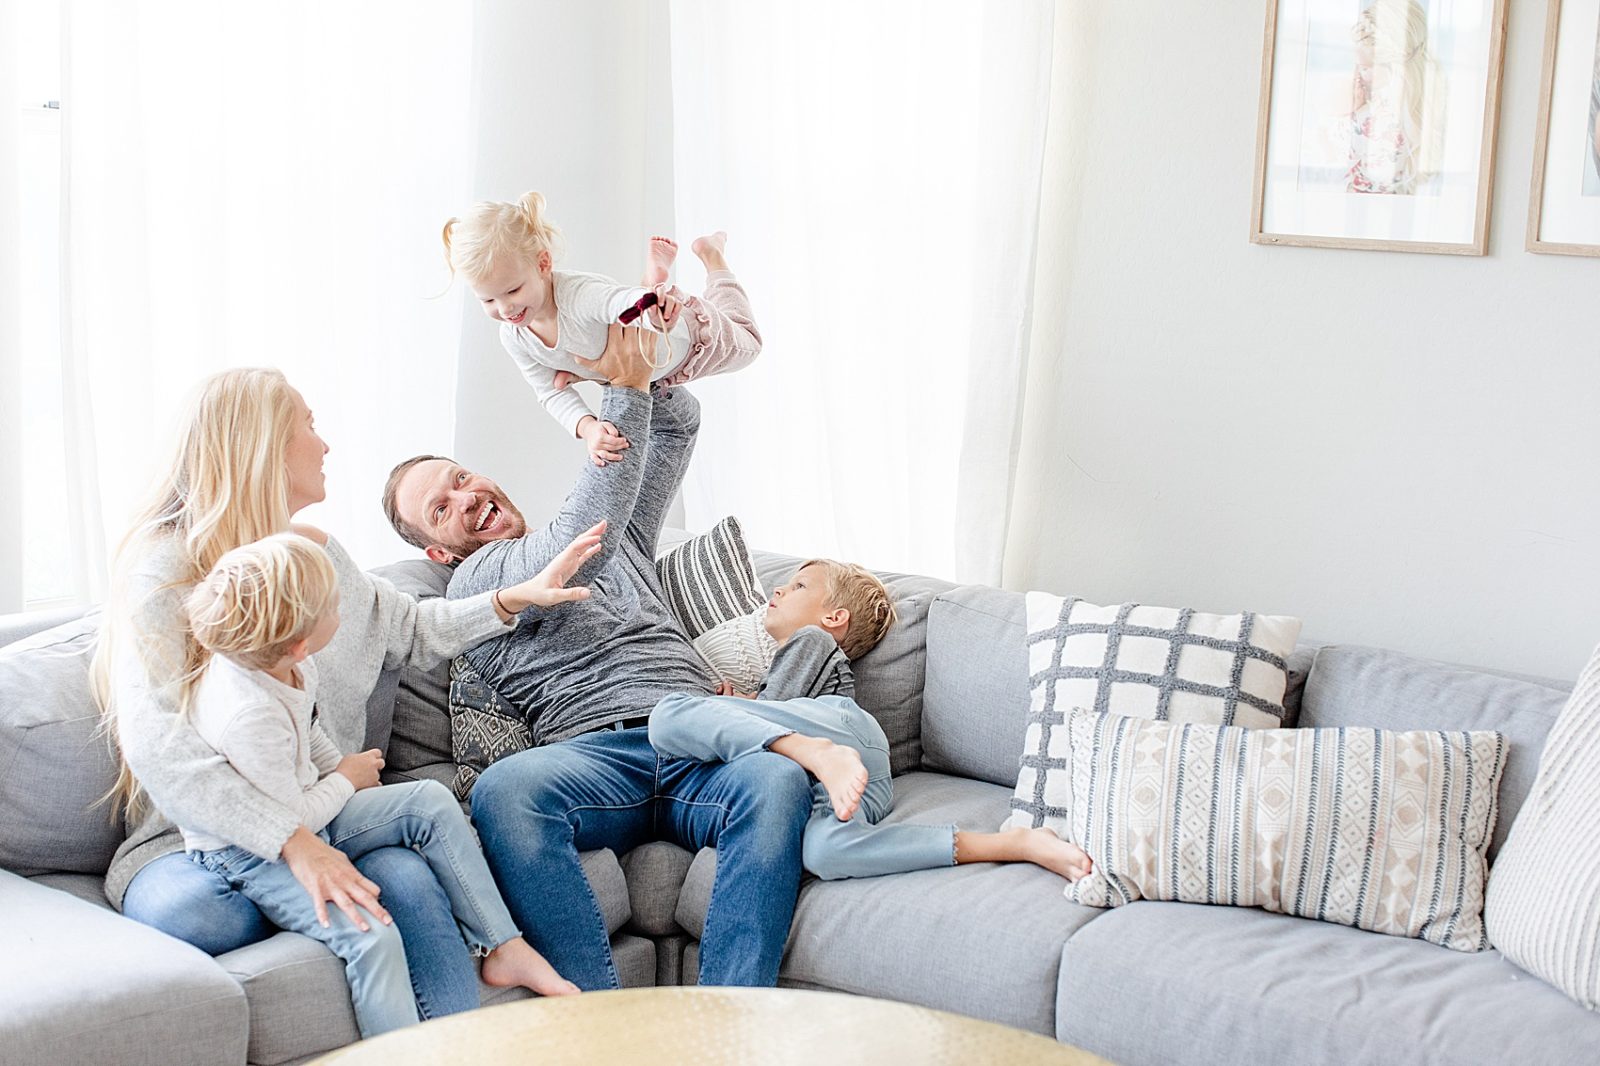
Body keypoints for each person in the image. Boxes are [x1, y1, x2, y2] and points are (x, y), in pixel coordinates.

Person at [95, 367, 600, 1021]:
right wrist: (293, 845)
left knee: (412, 881)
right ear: (264, 446)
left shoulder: (317, 558)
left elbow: (410, 627)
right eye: (308, 424)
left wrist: (510, 599)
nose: (325, 444)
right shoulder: (168, 569)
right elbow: (157, 746)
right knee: (197, 911)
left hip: (324, 812)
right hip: (199, 839)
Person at [383, 323, 813, 991]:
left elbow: (675, 429)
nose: (466, 497)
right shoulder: (479, 583)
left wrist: (637, 358)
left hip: (697, 734)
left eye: (462, 479)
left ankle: (732, 1020)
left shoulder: (621, 541)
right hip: (593, 761)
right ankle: (597, 1029)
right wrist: (620, 388)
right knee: (506, 791)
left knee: (778, 780)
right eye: (442, 507)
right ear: (437, 553)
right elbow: (583, 543)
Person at [177, 533, 577, 1037]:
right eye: (333, 605)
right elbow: (286, 825)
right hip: (256, 848)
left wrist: (342, 767)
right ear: (300, 640)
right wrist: (346, 780)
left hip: (304, 810)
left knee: (429, 801)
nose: (343, 607)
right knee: (372, 935)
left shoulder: (292, 664)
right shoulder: (247, 714)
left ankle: (504, 945)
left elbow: (311, 731)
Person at [650, 559, 1094, 883]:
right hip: (859, 773)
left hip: (836, 730)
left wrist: (739, 706)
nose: (780, 590)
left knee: (671, 713)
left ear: (834, 618)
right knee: (825, 851)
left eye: (798, 585)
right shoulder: (801, 648)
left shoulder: (811, 641)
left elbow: (775, 716)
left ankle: (820, 754)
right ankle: (1013, 844)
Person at [441, 191, 761, 466]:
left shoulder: (576, 296)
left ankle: (713, 257)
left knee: (748, 341)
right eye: (488, 300)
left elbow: (617, 302)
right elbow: (551, 392)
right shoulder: (515, 337)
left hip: (689, 336)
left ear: (542, 264)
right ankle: (653, 282)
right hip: (652, 364)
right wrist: (588, 427)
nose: (505, 309)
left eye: (512, 291)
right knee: (634, 311)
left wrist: (654, 312)